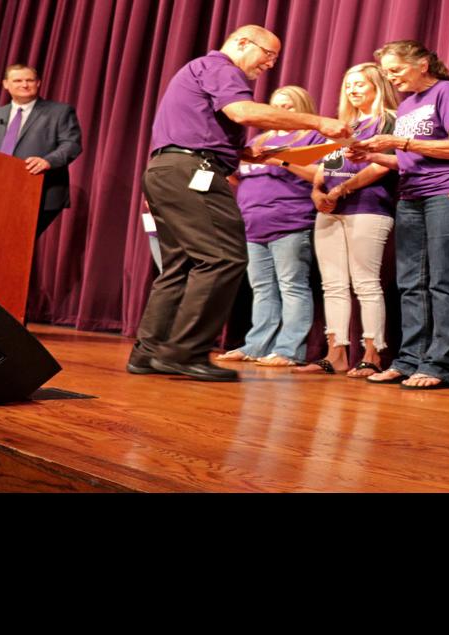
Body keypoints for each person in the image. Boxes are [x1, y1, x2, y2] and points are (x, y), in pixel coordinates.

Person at [130, 25, 350, 381]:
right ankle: (184, 352)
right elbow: (244, 113)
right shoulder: (221, 68)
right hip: (193, 171)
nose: (271, 63)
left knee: (181, 266)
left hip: (168, 170)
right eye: (268, 54)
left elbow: (204, 128)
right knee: (223, 257)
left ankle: (148, 352)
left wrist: (244, 152)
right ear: (243, 43)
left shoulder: (199, 70)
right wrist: (319, 121)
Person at [355, 40, 449, 390]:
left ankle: (440, 364)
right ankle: (410, 359)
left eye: (396, 70)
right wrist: (373, 155)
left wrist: (401, 143)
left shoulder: (448, 92)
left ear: (423, 63)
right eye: (387, 73)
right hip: (410, 195)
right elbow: (408, 160)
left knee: (444, 280)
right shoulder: (407, 105)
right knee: (410, 282)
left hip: (445, 193)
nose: (391, 78)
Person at [296, 63, 400, 377]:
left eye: (359, 84)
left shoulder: (390, 121)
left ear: (377, 85)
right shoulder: (344, 126)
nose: (352, 90)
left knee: (366, 284)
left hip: (367, 208)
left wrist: (343, 188)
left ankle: (372, 354)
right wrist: (317, 191)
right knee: (333, 285)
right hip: (329, 211)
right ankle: (335, 353)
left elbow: (382, 167)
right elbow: (323, 169)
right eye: (348, 85)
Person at [217, 85, 324, 368]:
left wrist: (280, 159)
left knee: (292, 286)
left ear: (302, 107)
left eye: (288, 106)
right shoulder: (260, 139)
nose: (280, 111)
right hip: (252, 224)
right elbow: (237, 177)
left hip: (289, 222)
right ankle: (256, 345)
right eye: (276, 105)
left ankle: (289, 350)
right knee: (262, 288)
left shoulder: (311, 137)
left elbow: (321, 175)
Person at [0, 64, 83, 237]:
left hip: (38, 190)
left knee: (16, 243)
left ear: (38, 83)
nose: (24, 85)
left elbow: (71, 144)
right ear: (6, 84)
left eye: (29, 80)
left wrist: (48, 161)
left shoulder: (59, 112)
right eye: (18, 80)